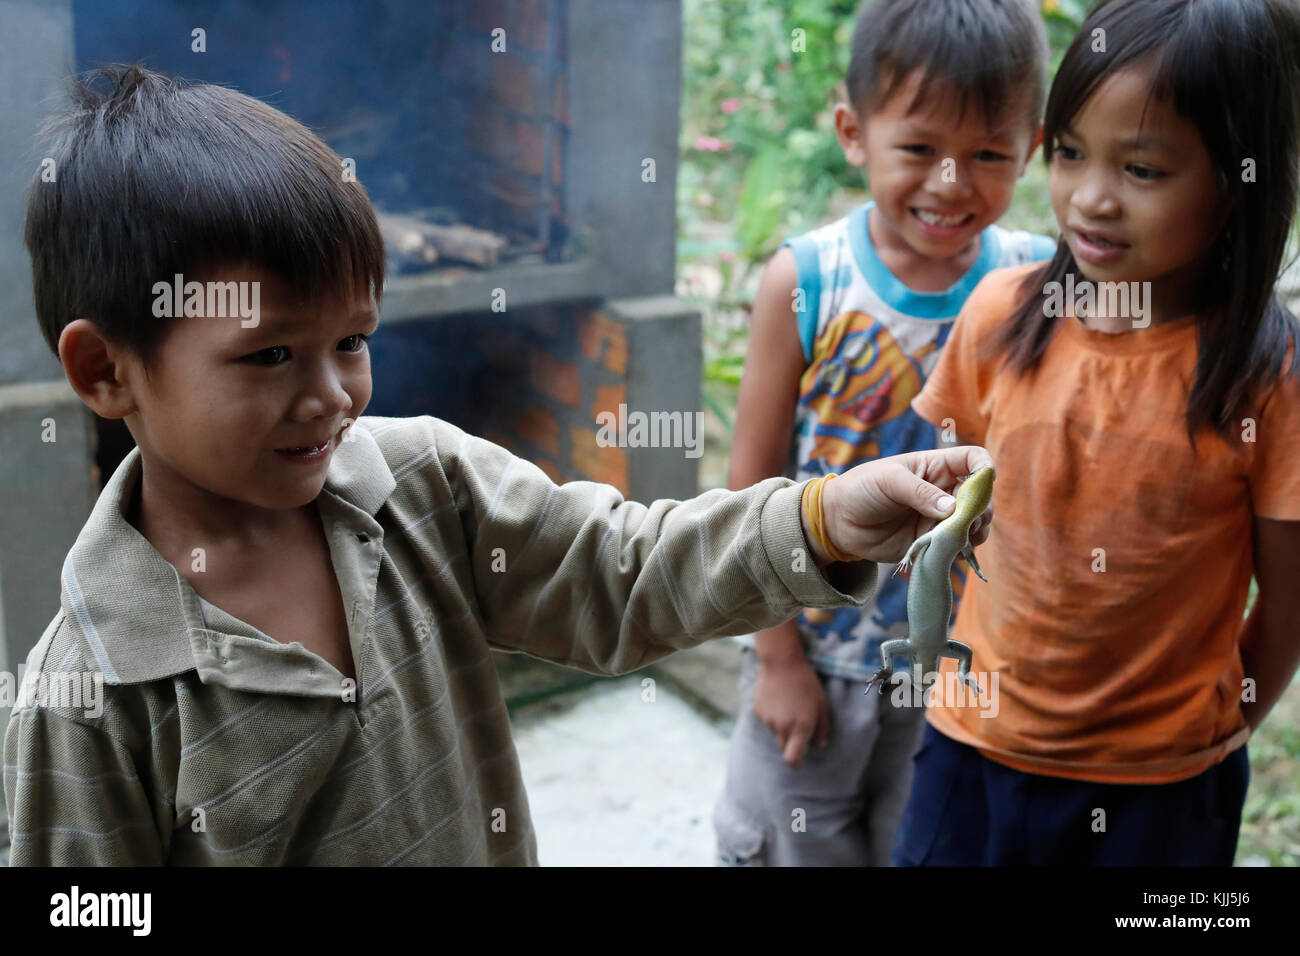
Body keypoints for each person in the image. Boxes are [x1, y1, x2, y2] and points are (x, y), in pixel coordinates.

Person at [0, 64, 994, 866]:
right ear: (105, 370)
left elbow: (623, 570)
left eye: (351, 341)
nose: (332, 396)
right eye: (269, 355)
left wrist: (822, 519)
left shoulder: (424, 485)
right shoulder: (90, 699)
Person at [893, 0, 1300, 866]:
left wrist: (1218, 729)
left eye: (1143, 169)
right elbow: (941, 516)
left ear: (1241, 179)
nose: (1091, 198)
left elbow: (1288, 604)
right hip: (971, 748)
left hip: (1164, 792)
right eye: (1070, 153)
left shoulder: (1268, 378)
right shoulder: (999, 315)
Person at [714, 0, 1054, 866]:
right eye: (919, 148)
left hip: (956, 668)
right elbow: (751, 484)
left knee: (924, 842)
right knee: (796, 839)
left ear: (1033, 148)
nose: (950, 183)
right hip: (817, 652)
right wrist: (777, 660)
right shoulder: (809, 280)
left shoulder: (1032, 283)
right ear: (853, 133)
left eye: (988, 154)